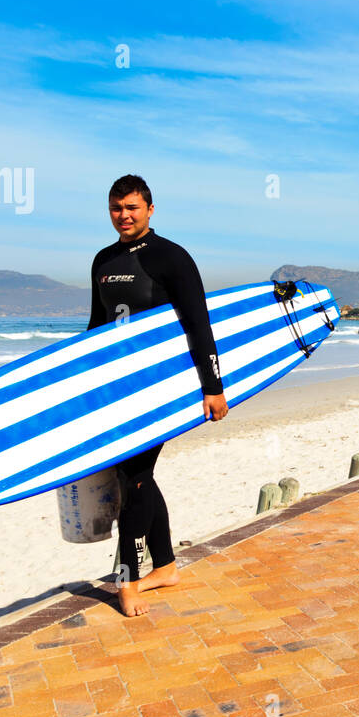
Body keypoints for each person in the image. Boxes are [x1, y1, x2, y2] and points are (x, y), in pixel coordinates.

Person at [88, 175, 228, 617]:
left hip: (163, 387)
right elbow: (96, 326)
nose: (124, 215)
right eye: (116, 208)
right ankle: (165, 566)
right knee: (136, 475)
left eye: (131, 207)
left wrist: (212, 386)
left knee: (135, 480)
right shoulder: (103, 260)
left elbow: (198, 323)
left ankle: (127, 580)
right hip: (118, 388)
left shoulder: (172, 257)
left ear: (149, 209)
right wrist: (80, 385)